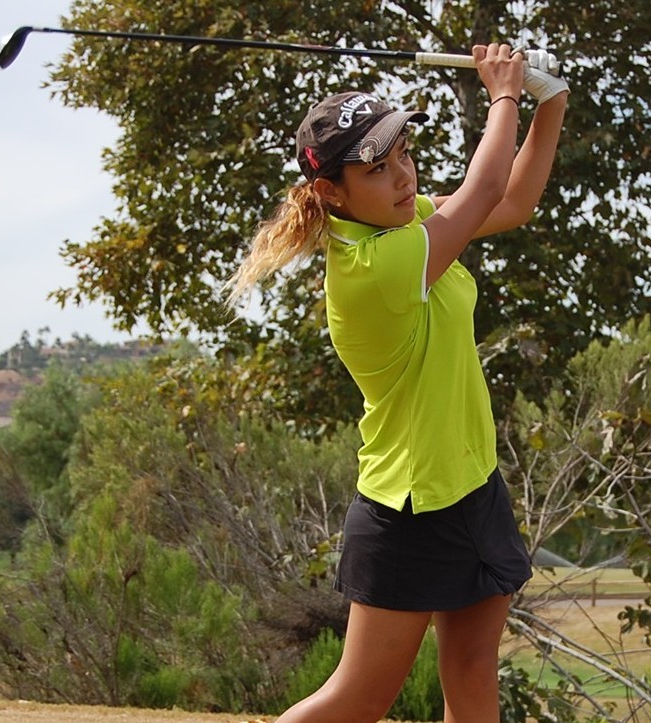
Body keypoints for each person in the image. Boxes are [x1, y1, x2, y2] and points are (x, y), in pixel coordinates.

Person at [226, 42, 568, 722]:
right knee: (359, 698)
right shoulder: (371, 267)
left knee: (472, 675)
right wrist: (504, 93)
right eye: (378, 169)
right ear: (331, 191)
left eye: (402, 154)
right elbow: (485, 190)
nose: (403, 176)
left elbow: (517, 200)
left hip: (472, 484)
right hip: (409, 506)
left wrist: (550, 101)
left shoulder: (406, 219)